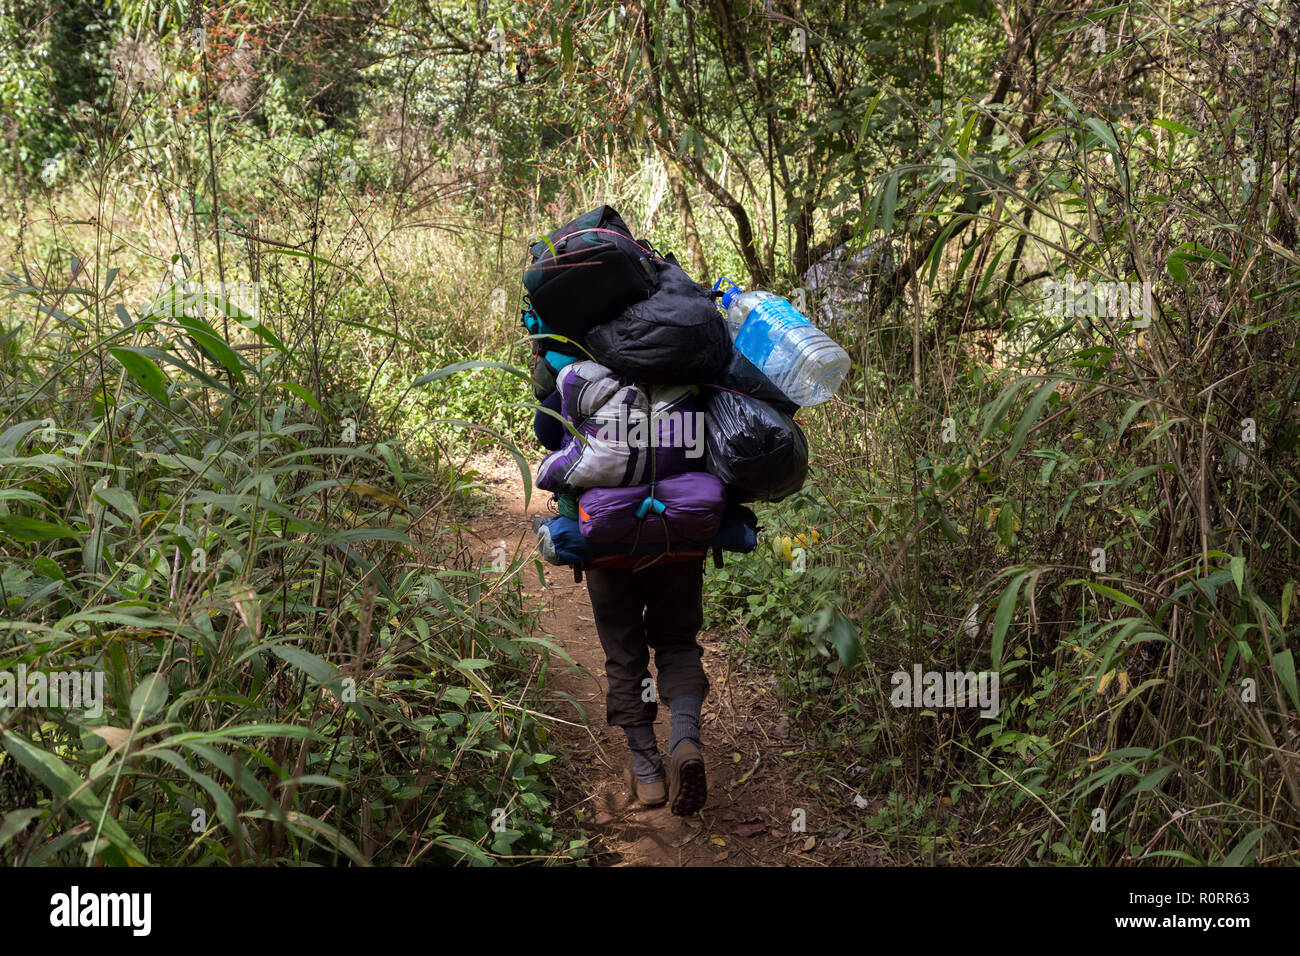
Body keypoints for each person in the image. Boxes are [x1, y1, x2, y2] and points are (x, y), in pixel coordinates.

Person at [584, 555, 708, 815]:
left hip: (608, 556)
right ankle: (685, 741)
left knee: (624, 654)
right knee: (679, 646)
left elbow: (572, 513)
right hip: (679, 549)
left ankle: (648, 774)